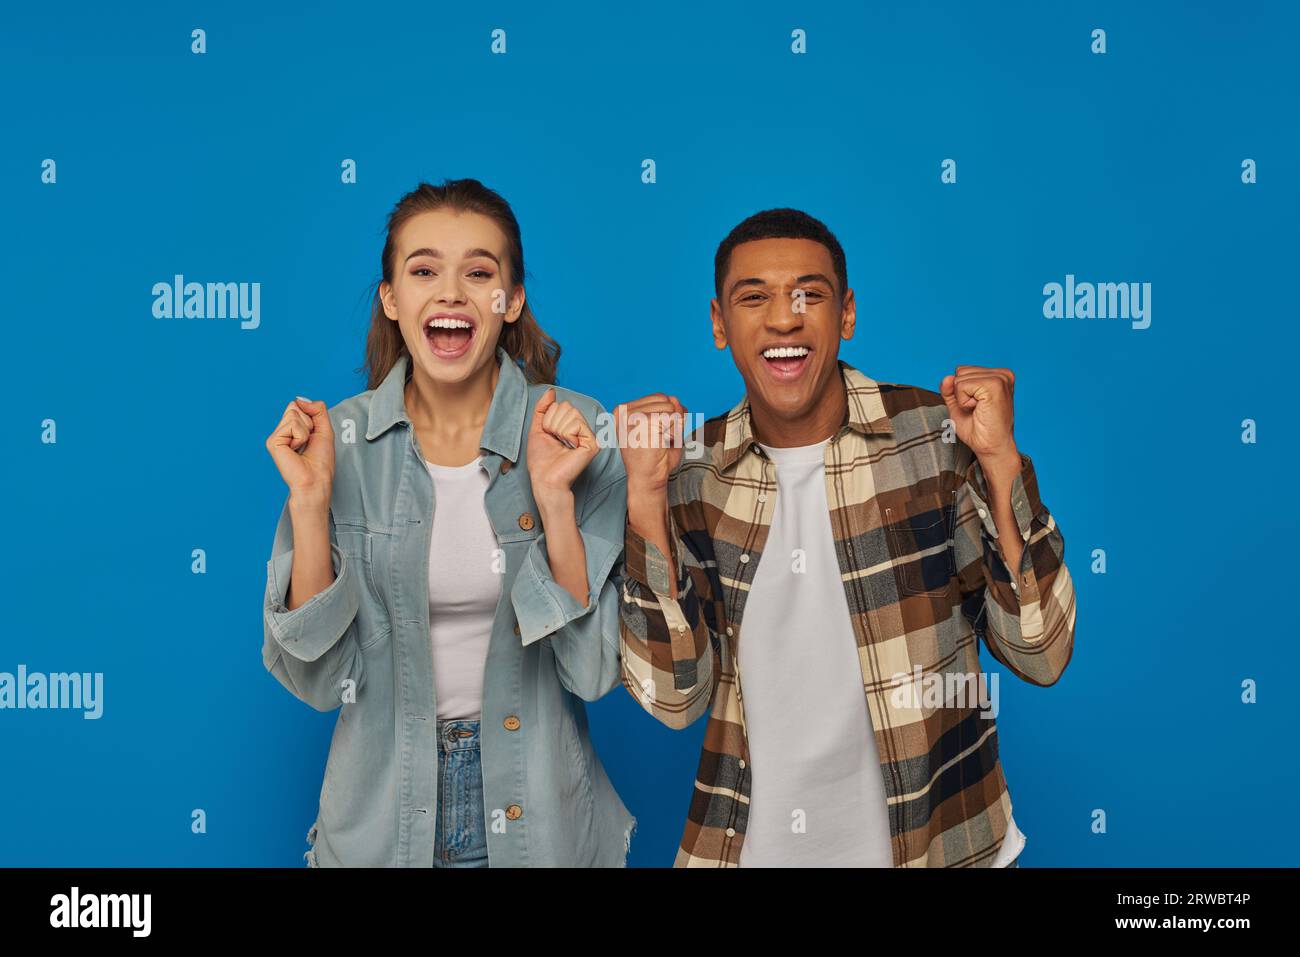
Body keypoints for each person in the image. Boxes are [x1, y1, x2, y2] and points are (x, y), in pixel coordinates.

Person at [615, 207, 1076, 867]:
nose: (783, 318)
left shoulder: (936, 438)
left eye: (809, 293)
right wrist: (644, 503)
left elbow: (1041, 651)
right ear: (720, 323)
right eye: (755, 298)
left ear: (847, 313)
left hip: (941, 847)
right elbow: (674, 695)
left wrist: (1002, 465)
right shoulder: (687, 475)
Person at [262, 178, 636, 867]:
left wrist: (555, 501)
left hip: (541, 815)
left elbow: (593, 673)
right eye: (424, 269)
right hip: (377, 820)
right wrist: (311, 504)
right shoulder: (334, 442)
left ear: (512, 300)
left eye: (480, 272)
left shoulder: (581, 432)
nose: (452, 292)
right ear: (392, 298)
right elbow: (316, 683)